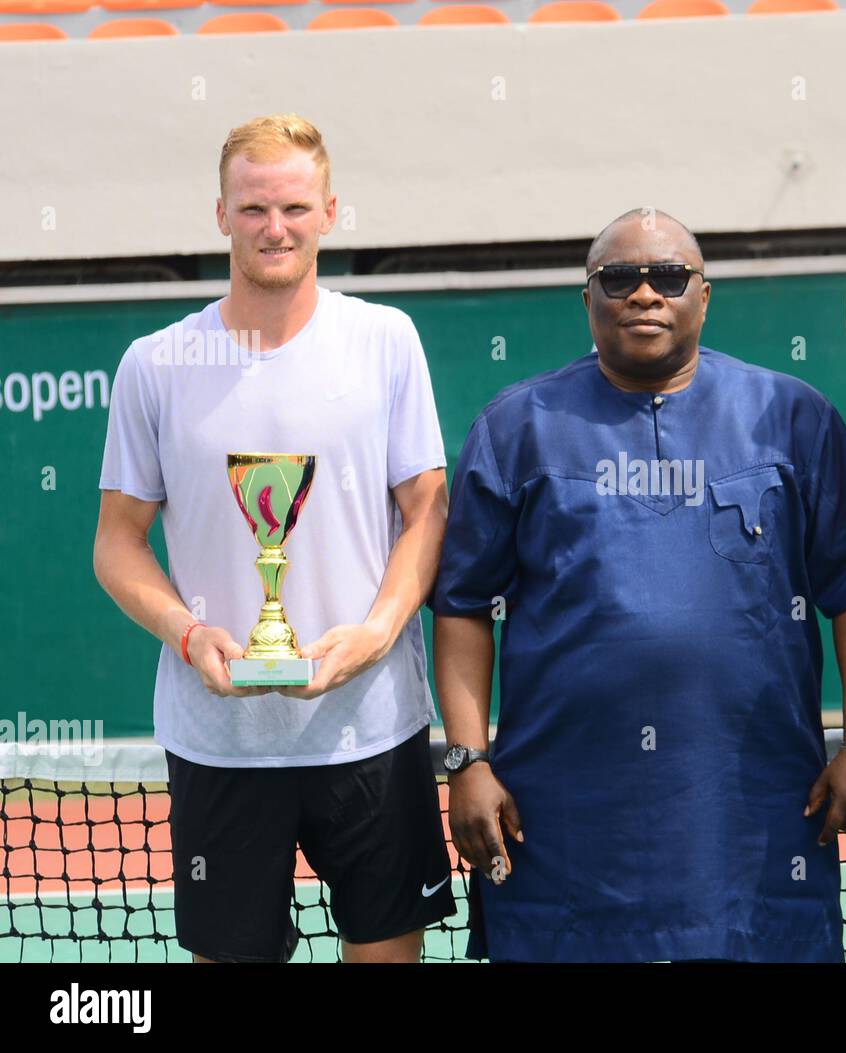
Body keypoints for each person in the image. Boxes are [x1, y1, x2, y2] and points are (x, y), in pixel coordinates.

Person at [433, 208, 846, 962]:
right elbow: (460, 608)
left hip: (752, 814)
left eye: (669, 276)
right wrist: (468, 762)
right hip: (562, 817)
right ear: (588, 299)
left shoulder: (792, 418)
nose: (644, 293)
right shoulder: (517, 426)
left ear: (704, 297)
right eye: (619, 278)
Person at [94, 114, 454, 963]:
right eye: (254, 209)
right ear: (221, 215)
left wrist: (372, 636)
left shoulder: (386, 340)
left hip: (372, 731)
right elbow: (116, 542)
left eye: (294, 206)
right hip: (218, 744)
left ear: (330, 211)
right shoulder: (155, 363)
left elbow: (427, 512)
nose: (275, 227)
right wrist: (189, 634)